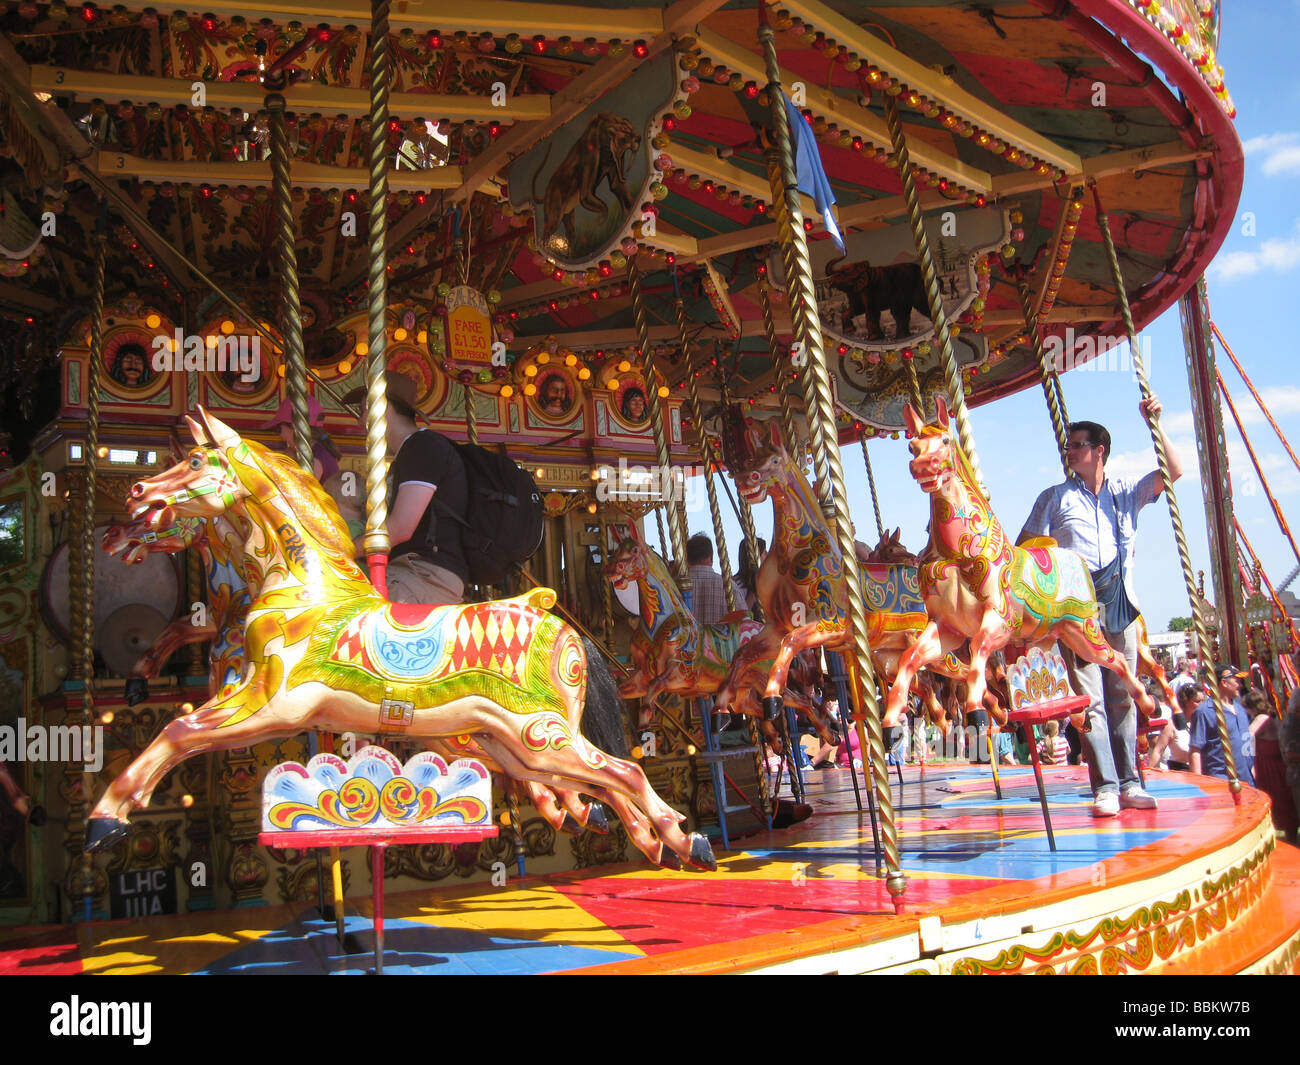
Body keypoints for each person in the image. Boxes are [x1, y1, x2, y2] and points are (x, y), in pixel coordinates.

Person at [1018, 398, 1181, 818]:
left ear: (1098, 451)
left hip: (1119, 602)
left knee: (1122, 695)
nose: (1069, 451)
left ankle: (1130, 781)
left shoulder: (1125, 492)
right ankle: (1105, 784)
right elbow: (1026, 550)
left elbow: (1172, 472)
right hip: (1076, 613)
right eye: (1068, 446)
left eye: (1076, 445)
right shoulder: (1053, 498)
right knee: (1089, 700)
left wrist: (1156, 424)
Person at [343, 371, 468, 605]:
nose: (360, 421)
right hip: (410, 569)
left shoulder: (423, 446)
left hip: (425, 574)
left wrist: (343, 551)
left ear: (384, 406)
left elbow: (400, 528)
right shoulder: (407, 455)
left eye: (364, 409)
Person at [1188, 665, 1255, 786]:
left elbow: (1248, 741)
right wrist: (1197, 783)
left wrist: (1253, 771)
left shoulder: (1240, 709)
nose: (1240, 685)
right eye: (1237, 681)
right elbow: (1195, 750)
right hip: (1221, 782)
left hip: (1246, 780)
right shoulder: (1204, 712)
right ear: (1224, 682)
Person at [1247, 688, 1298, 843]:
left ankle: (1286, 840)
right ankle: (1291, 837)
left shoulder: (1261, 719)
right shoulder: (1272, 717)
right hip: (1276, 765)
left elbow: (1246, 736)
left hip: (1269, 766)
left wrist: (1246, 756)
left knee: (1278, 802)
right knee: (1285, 802)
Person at [1147, 684, 1196, 771]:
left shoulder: (1202, 722)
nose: (1202, 704)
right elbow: (1157, 749)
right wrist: (1148, 772)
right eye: (1197, 701)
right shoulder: (1172, 723)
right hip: (1178, 771)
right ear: (1186, 702)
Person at [686, 533, 729, 626]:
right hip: (721, 639)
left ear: (687, 558)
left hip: (688, 639)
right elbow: (743, 618)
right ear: (711, 557)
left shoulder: (676, 585)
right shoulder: (727, 584)